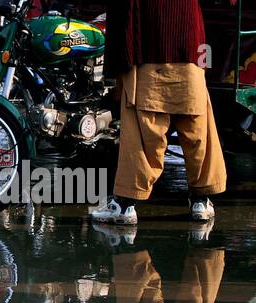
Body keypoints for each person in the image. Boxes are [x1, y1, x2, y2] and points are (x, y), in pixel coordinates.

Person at [92, 0, 226, 225]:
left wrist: (114, 68)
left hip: (146, 42)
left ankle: (125, 206)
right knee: (197, 125)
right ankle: (201, 202)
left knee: (142, 133)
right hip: (190, 41)